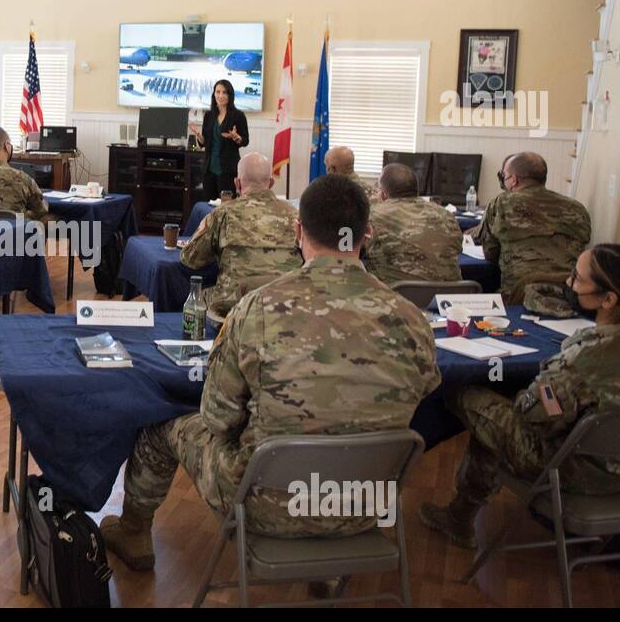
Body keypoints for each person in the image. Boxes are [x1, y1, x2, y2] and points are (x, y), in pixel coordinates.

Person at [101, 175, 441, 570]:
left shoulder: (257, 309)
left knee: (160, 425)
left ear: (298, 230)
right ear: (368, 234)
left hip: (267, 503)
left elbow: (216, 417)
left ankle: (134, 533)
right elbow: (425, 393)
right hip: (365, 506)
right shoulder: (412, 320)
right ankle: (329, 572)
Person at [420, 244, 620, 549]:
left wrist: (528, 388)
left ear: (608, 299)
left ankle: (460, 516)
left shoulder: (587, 357)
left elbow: (536, 419)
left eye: (577, 280)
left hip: (577, 470)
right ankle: (460, 514)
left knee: (468, 394)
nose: (567, 284)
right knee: (497, 410)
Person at [179, 151, 300, 316]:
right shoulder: (296, 215)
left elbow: (190, 259)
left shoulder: (223, 213)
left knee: (196, 297)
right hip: (284, 307)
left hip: (232, 309)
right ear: (271, 183)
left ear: (237, 183)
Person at [475, 152, 591, 315]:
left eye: (506, 176)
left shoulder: (502, 203)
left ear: (514, 180)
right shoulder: (577, 208)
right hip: (571, 294)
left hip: (519, 294)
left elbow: (490, 253)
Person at [364, 163, 463, 285]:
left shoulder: (373, 216)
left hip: (398, 298)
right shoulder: (446, 215)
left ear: (383, 194)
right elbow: (457, 249)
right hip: (449, 297)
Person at [189, 79, 249, 202]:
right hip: (209, 169)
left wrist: (236, 137)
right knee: (209, 206)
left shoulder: (238, 115)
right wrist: (199, 135)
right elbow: (204, 143)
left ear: (230, 95)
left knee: (226, 208)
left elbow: (245, 140)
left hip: (228, 170)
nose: (220, 95)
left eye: (224, 92)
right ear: (214, 94)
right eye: (218, 92)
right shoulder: (209, 115)